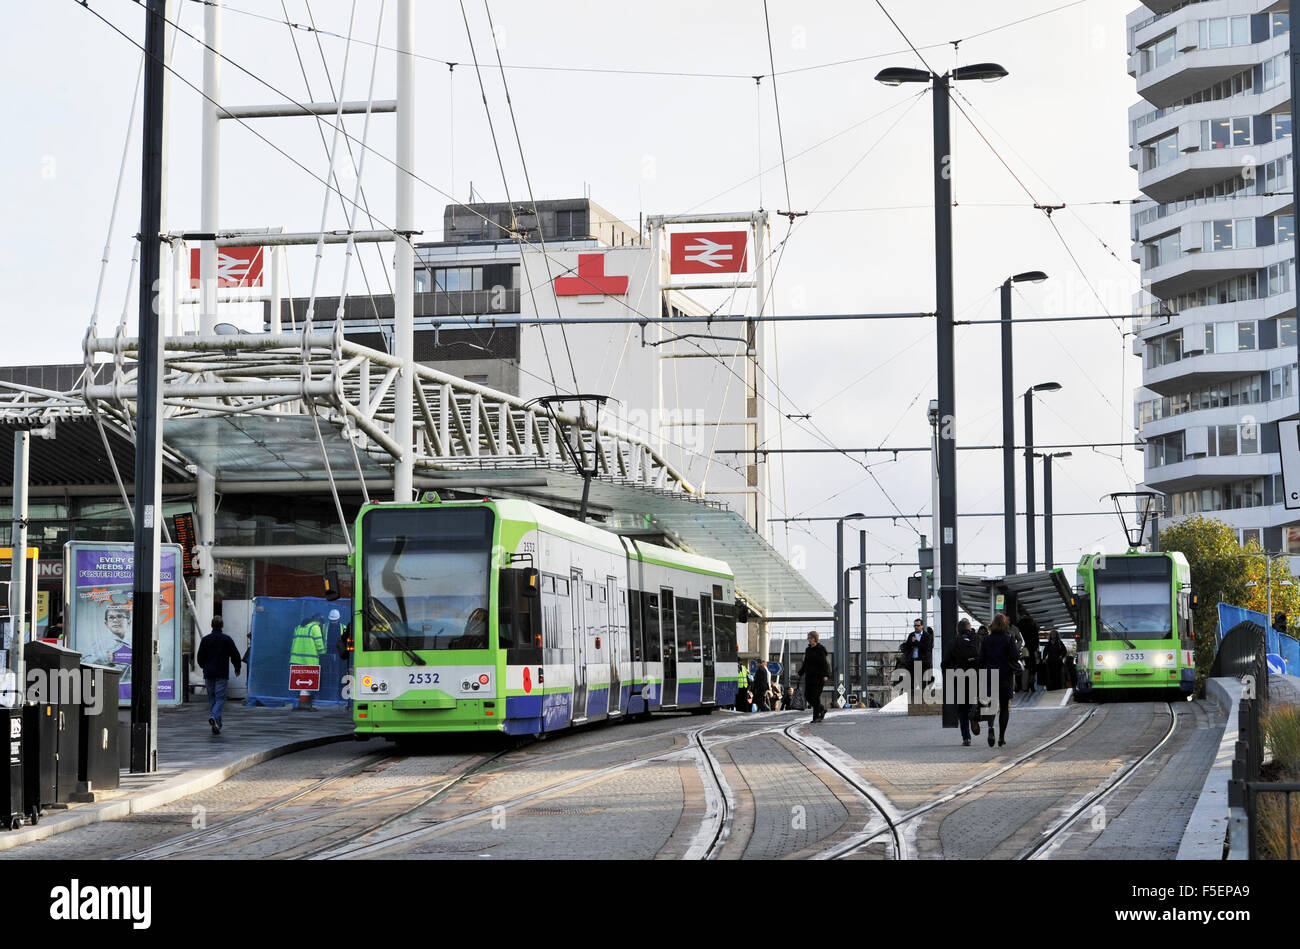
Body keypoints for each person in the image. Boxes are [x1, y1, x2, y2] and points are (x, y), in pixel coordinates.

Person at [196, 616, 241, 735]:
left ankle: (217, 725)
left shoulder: (205, 640)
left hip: (209, 673)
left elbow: (200, 657)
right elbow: (235, 655)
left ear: (212, 625)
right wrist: (237, 668)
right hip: (221, 673)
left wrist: (204, 667)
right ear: (222, 626)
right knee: (220, 699)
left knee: (212, 698)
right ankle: (215, 718)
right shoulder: (226, 639)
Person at [942, 617, 983, 746]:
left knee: (961, 709)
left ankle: (966, 738)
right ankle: (974, 716)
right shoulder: (978, 639)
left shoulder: (953, 642)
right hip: (976, 676)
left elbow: (945, 663)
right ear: (970, 628)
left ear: (958, 630)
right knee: (974, 702)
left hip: (960, 677)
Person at [978, 613, 1017, 748]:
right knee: (1004, 707)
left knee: (992, 705)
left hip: (990, 675)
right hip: (1005, 676)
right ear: (1005, 624)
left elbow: (981, 659)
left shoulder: (986, 640)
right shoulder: (1009, 639)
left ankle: (990, 728)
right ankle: (1001, 737)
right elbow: (1015, 656)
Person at [802, 631, 830, 723]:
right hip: (809, 677)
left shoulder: (820, 649)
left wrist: (826, 675)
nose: (808, 639)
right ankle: (821, 709)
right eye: (808, 638)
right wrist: (800, 672)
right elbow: (805, 663)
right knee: (807, 695)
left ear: (814, 639)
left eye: (809, 638)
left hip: (818, 677)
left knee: (815, 696)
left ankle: (816, 717)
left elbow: (824, 663)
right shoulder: (808, 650)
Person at [1019, 610, 1041, 693]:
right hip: (1032, 650)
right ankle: (1031, 685)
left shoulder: (1020, 624)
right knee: (1032, 669)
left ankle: (1025, 686)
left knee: (1025, 668)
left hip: (1024, 650)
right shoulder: (1033, 626)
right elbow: (1036, 640)